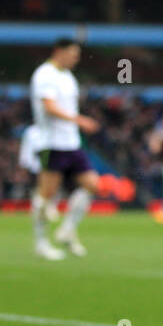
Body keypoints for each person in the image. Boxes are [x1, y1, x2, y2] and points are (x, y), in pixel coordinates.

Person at [29, 38, 99, 259]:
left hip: (71, 143)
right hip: (51, 142)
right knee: (46, 195)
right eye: (73, 54)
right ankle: (41, 243)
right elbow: (49, 107)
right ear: (59, 51)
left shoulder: (68, 77)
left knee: (92, 185)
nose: (76, 59)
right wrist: (80, 120)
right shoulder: (45, 74)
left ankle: (67, 230)